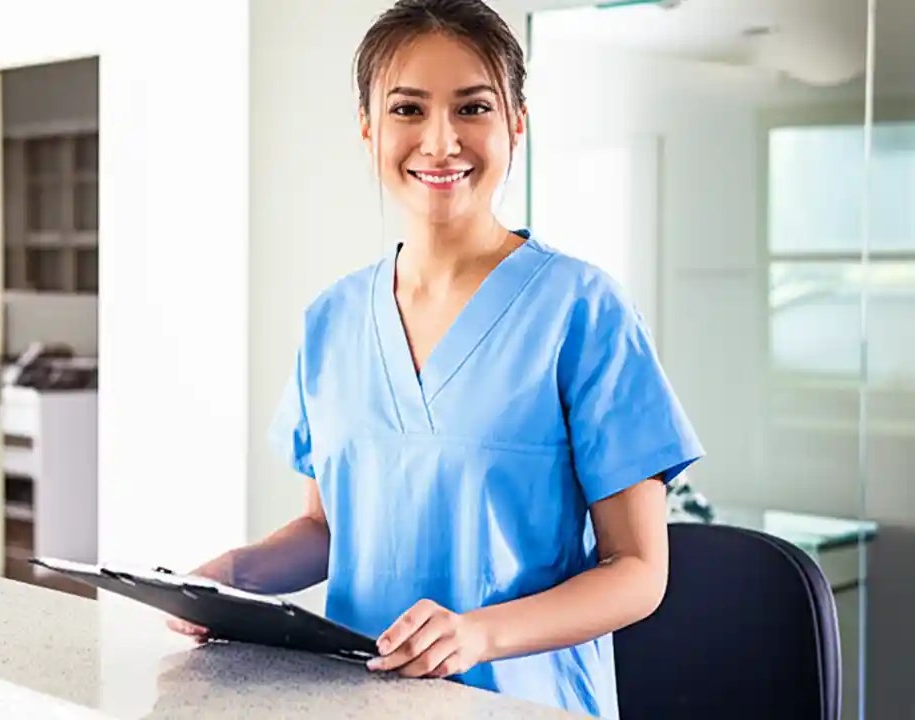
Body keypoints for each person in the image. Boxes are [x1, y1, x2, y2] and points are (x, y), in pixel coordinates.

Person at [168, 1, 703, 717]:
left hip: (522, 703)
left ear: (516, 123)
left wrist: (477, 635)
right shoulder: (332, 319)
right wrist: (232, 576)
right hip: (358, 699)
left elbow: (637, 571)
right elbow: (328, 531)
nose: (441, 141)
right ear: (369, 129)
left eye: (473, 107)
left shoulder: (584, 311)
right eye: (408, 110)